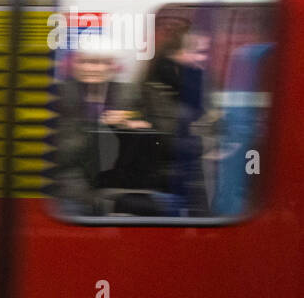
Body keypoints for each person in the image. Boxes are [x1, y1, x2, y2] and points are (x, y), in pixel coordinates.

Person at [53, 49, 151, 214]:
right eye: (84, 62)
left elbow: (148, 146)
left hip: (120, 183)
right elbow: (64, 154)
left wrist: (135, 127)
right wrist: (102, 125)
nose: (91, 68)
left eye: (100, 63)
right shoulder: (62, 95)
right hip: (73, 184)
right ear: (74, 65)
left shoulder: (129, 95)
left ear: (113, 67)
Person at [141, 29, 213, 215]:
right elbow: (170, 141)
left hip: (192, 174)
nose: (204, 58)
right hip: (167, 179)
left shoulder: (195, 84)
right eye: (198, 52)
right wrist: (211, 144)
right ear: (175, 54)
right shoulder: (157, 89)